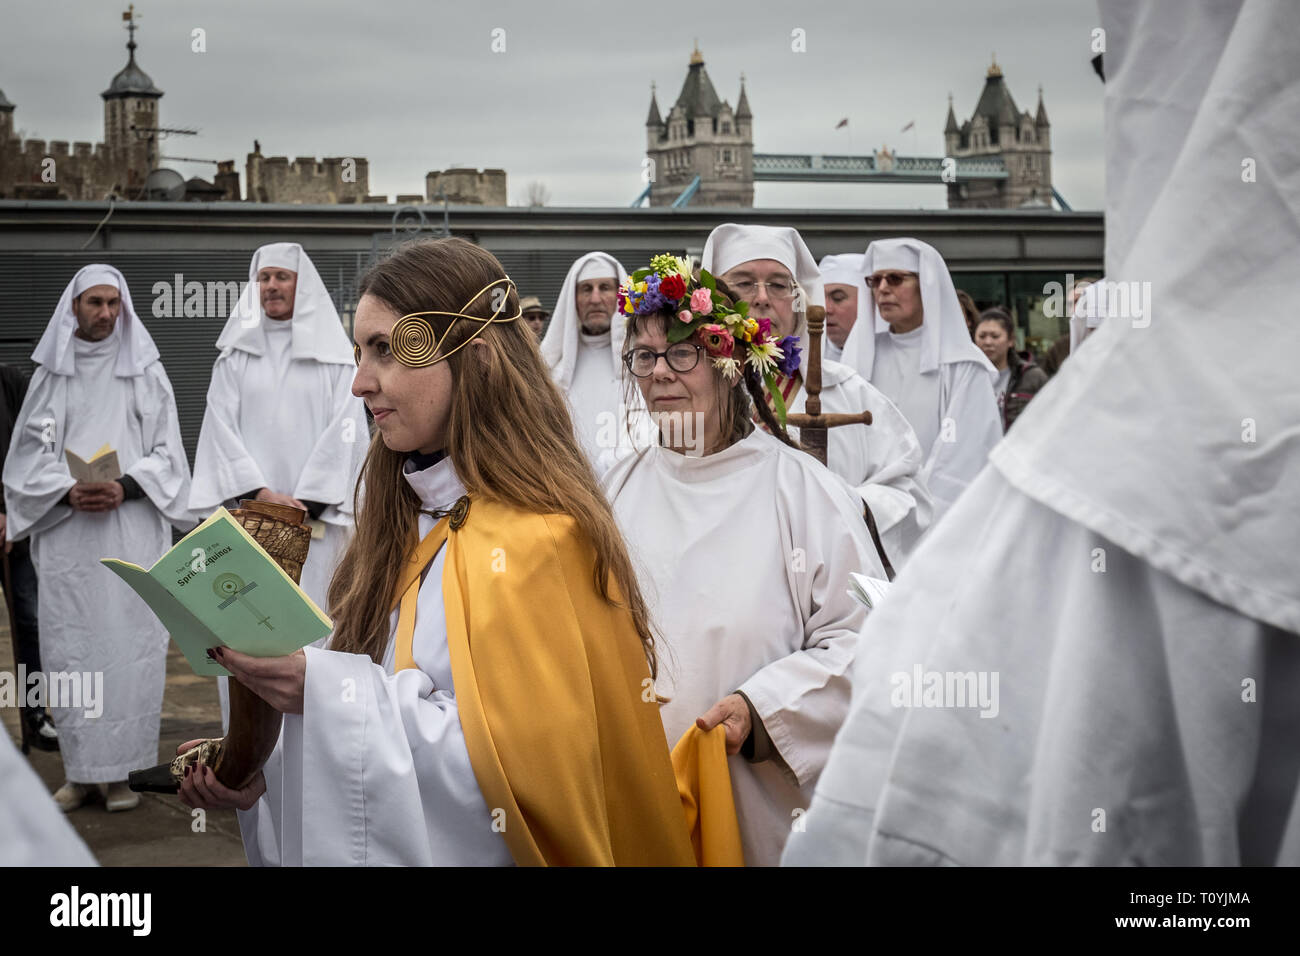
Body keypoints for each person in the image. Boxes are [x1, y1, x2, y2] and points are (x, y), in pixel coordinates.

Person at [784, 0, 1300, 866]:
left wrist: (898, 522)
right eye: (866, 286)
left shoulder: (1113, 473)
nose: (878, 299)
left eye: (892, 284)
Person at [177, 238, 695, 867]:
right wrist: (262, 765)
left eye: (387, 350)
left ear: (472, 358)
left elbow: (526, 781)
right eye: (359, 352)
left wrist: (322, 690)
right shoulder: (400, 519)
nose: (359, 383)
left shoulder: (544, 540)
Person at [604, 255, 883, 865]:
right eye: (644, 357)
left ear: (730, 366)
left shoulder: (808, 491)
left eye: (682, 353)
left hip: (757, 799)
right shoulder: (612, 491)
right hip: (634, 794)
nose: (659, 374)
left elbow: (877, 633)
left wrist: (762, 709)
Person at [3, 265, 193, 813]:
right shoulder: (52, 378)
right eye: (94, 303)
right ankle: (81, 774)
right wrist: (66, 493)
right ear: (75, 308)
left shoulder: (145, 373)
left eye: (113, 303)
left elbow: (168, 456)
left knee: (130, 651)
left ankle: (123, 775)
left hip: (130, 531)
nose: (105, 313)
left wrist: (125, 486)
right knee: (70, 652)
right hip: (70, 544)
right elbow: (27, 462)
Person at [702, 224, 931, 565]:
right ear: (715, 298)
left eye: (779, 285)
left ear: (799, 300)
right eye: (745, 282)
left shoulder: (849, 393)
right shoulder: (687, 392)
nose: (762, 297)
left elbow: (910, 496)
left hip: (831, 589)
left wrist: (851, 506)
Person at [840, 238, 1003, 524]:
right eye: (875, 280)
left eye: (895, 278)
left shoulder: (963, 365)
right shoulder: (859, 359)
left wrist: (907, 515)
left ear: (926, 284)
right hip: (864, 518)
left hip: (935, 524)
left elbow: (961, 459)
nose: (883, 289)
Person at [0, 362, 57, 753]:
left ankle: (35, 715)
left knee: (29, 622)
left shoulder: (13, 383)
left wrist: (9, 508)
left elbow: (33, 450)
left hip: (15, 533)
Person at [538, 252, 631, 475]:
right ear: (574, 298)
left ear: (620, 295)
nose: (595, 299)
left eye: (605, 287)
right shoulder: (550, 369)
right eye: (586, 289)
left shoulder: (644, 363)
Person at [975, 307, 1048, 431]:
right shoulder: (967, 378)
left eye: (995, 336)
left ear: (1011, 340)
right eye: (982, 336)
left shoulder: (1031, 377)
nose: (988, 342)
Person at [818, 254, 867, 362]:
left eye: (837, 298)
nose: (825, 310)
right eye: (820, 298)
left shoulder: (889, 358)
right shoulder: (805, 358)